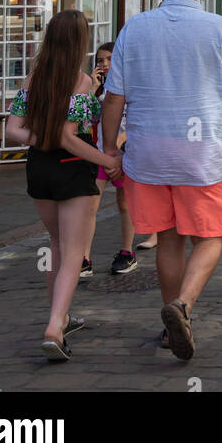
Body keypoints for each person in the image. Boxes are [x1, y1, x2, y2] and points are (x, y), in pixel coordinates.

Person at [100, 0, 222, 361]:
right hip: (203, 152)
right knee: (211, 236)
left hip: (148, 152)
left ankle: (171, 328)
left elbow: (113, 97)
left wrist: (107, 147)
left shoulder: (134, 28)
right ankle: (183, 306)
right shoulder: (219, 28)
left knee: (168, 241)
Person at [5, 10, 116, 361]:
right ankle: (55, 326)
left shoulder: (33, 78)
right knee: (73, 251)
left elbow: (11, 130)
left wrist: (42, 139)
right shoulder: (80, 81)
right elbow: (70, 138)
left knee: (56, 245)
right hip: (71, 169)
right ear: (79, 42)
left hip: (38, 168)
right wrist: (109, 161)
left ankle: (62, 315)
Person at [81, 43, 139, 277]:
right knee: (89, 206)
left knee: (125, 205)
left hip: (126, 153)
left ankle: (127, 252)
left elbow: (134, 124)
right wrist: (92, 89)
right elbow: (85, 118)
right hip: (101, 154)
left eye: (108, 59)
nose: (103, 64)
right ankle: (84, 257)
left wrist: (116, 151)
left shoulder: (131, 87)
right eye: (100, 60)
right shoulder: (97, 90)